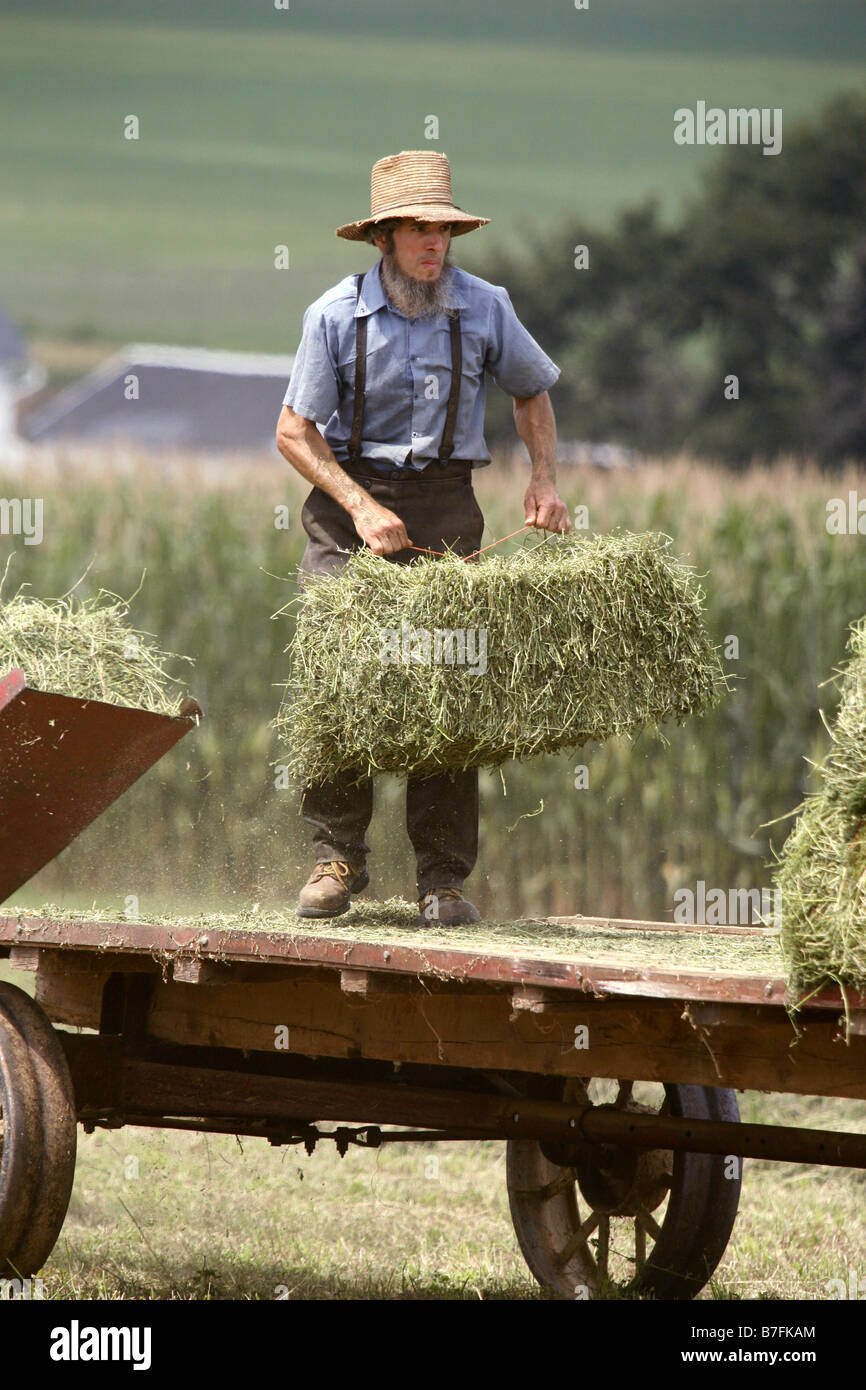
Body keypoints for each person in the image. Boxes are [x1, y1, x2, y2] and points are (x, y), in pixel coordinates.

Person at [275, 149, 570, 926]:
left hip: (446, 509)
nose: (434, 244)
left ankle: (441, 880)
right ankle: (334, 862)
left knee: (450, 685)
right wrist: (361, 504)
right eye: (417, 229)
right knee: (340, 683)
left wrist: (542, 480)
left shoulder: (486, 307)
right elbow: (294, 434)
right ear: (383, 238)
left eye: (444, 229)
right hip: (347, 517)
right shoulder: (333, 316)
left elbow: (533, 391)